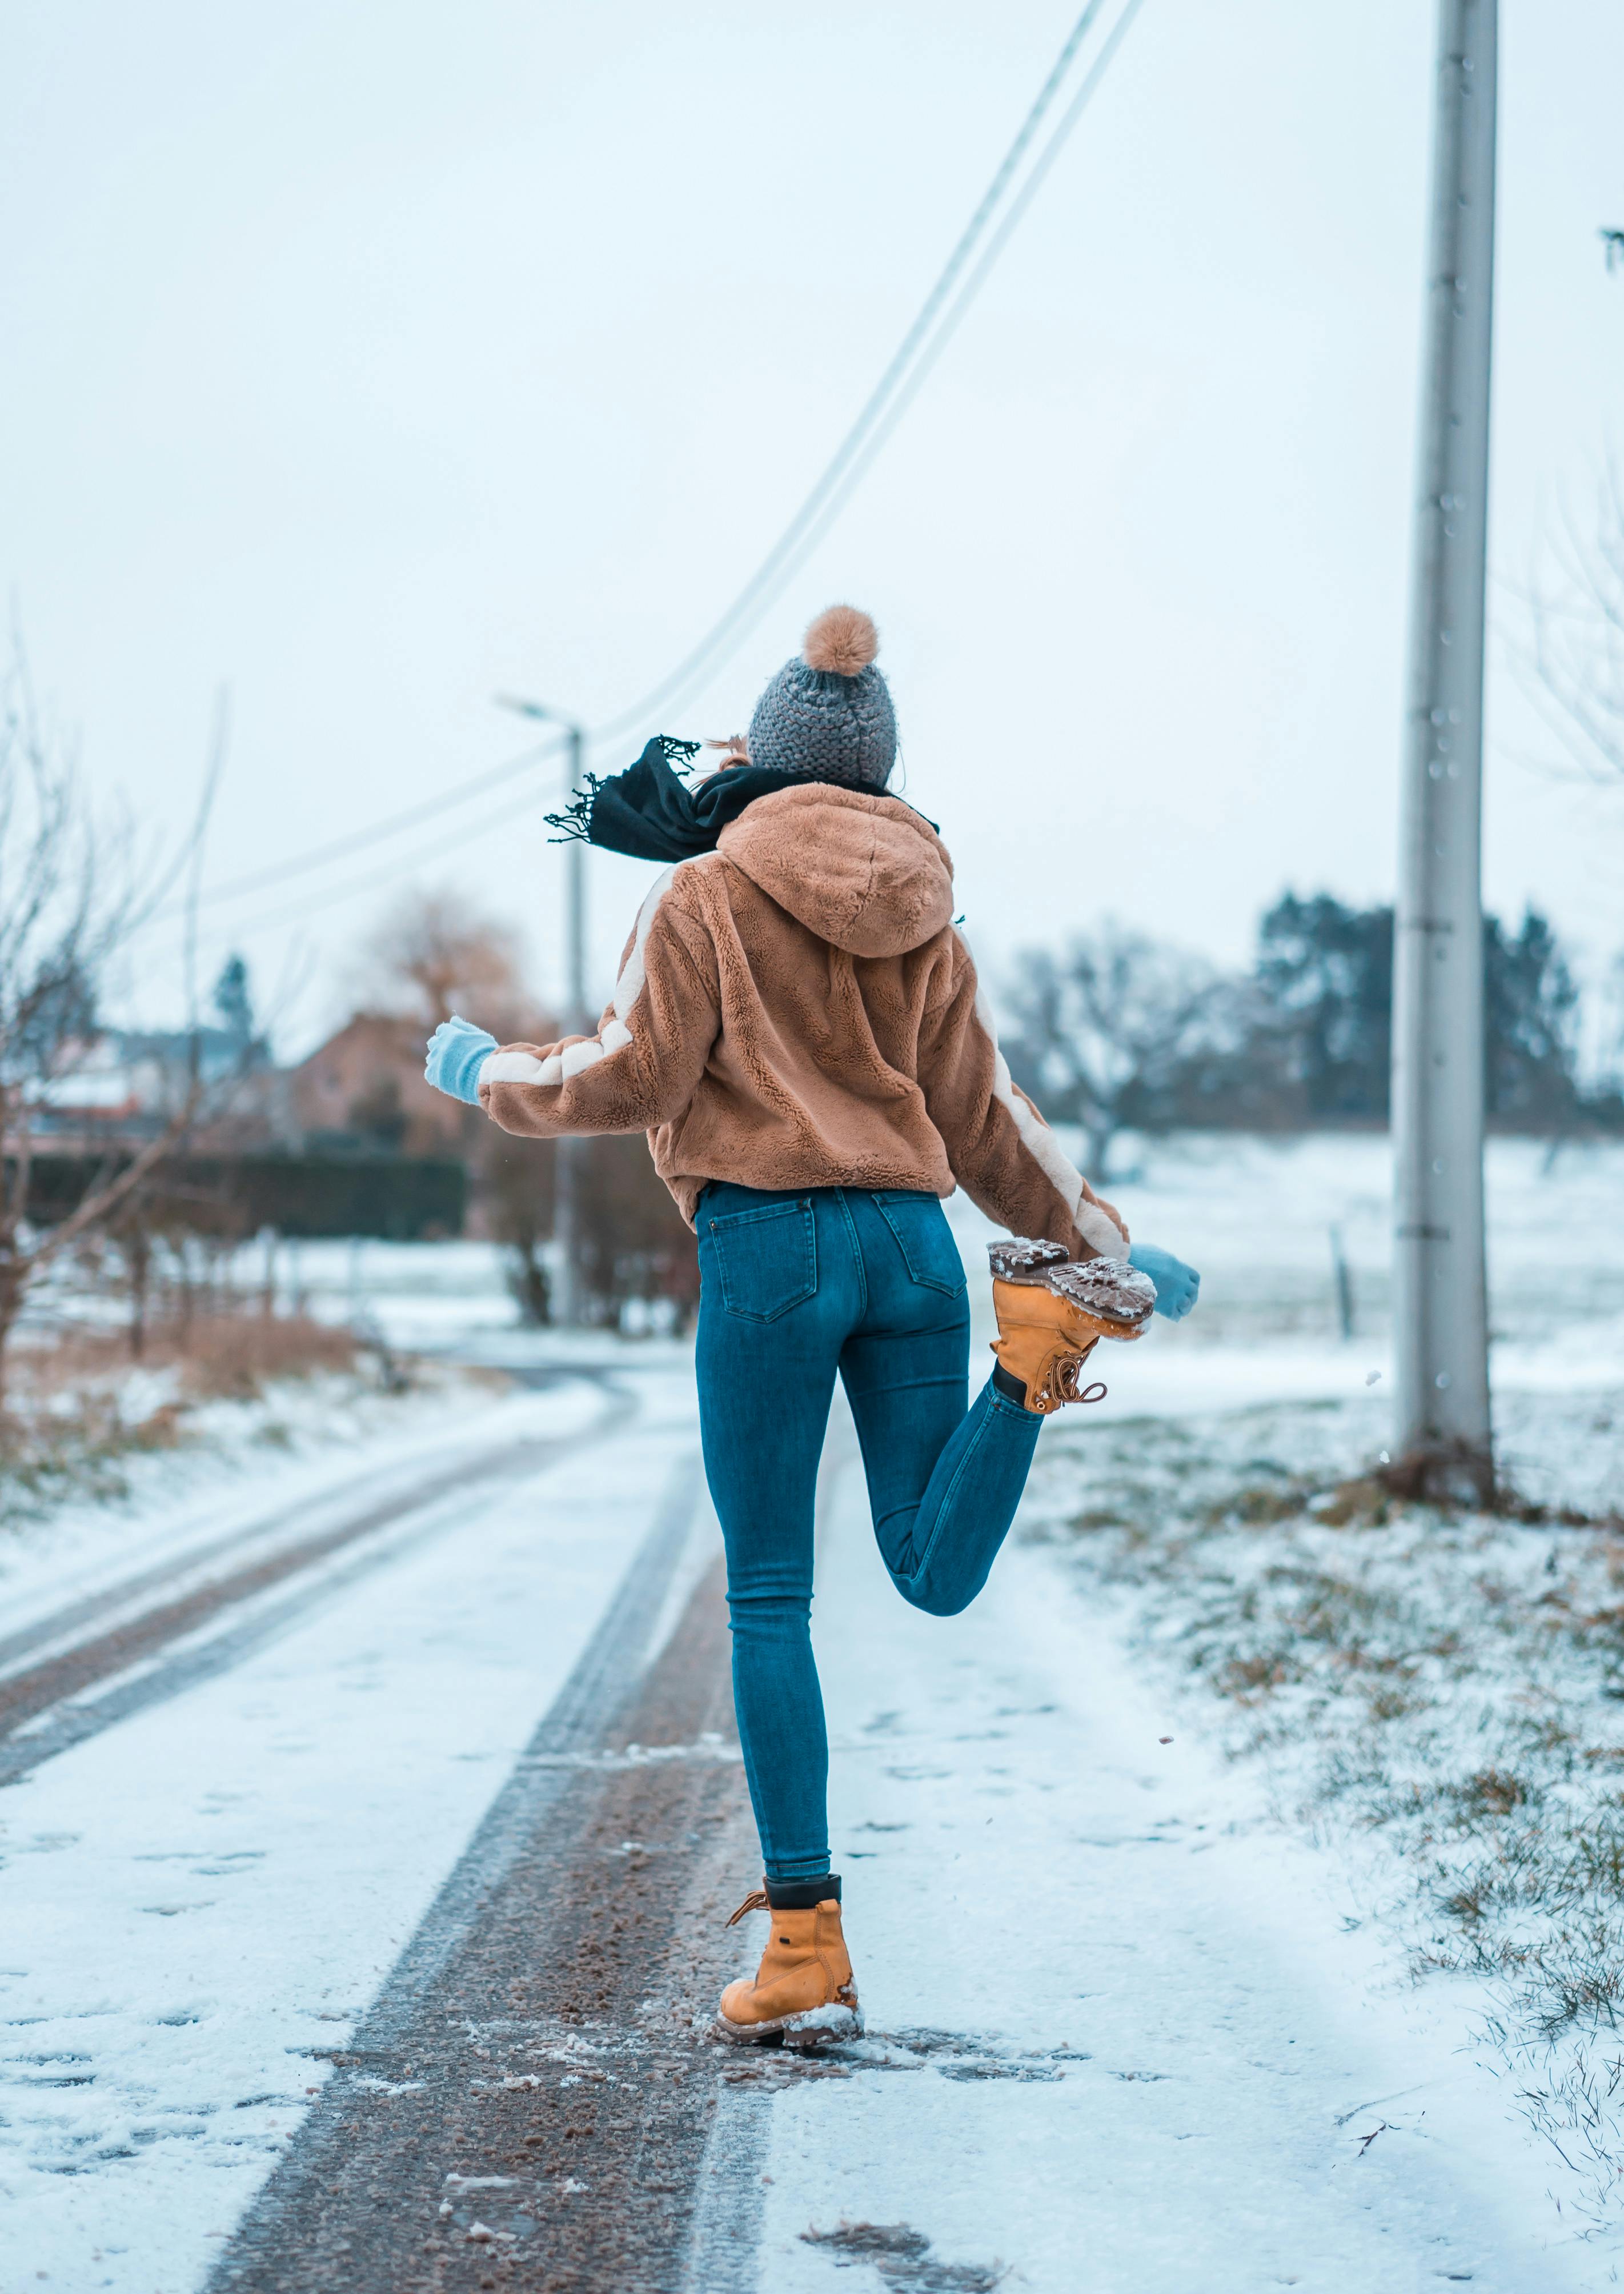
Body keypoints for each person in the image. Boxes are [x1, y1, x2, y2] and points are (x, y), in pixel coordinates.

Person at [424, 605, 1200, 2045]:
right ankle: (1034, 1353)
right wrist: (1103, 1243)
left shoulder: (708, 894)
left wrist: (487, 1071)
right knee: (928, 1569)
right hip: (913, 1249)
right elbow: (988, 1119)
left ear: (768, 762)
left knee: (770, 1600)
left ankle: (803, 1949)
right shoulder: (929, 913)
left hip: (769, 1248)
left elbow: (629, 1072)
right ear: (879, 773)